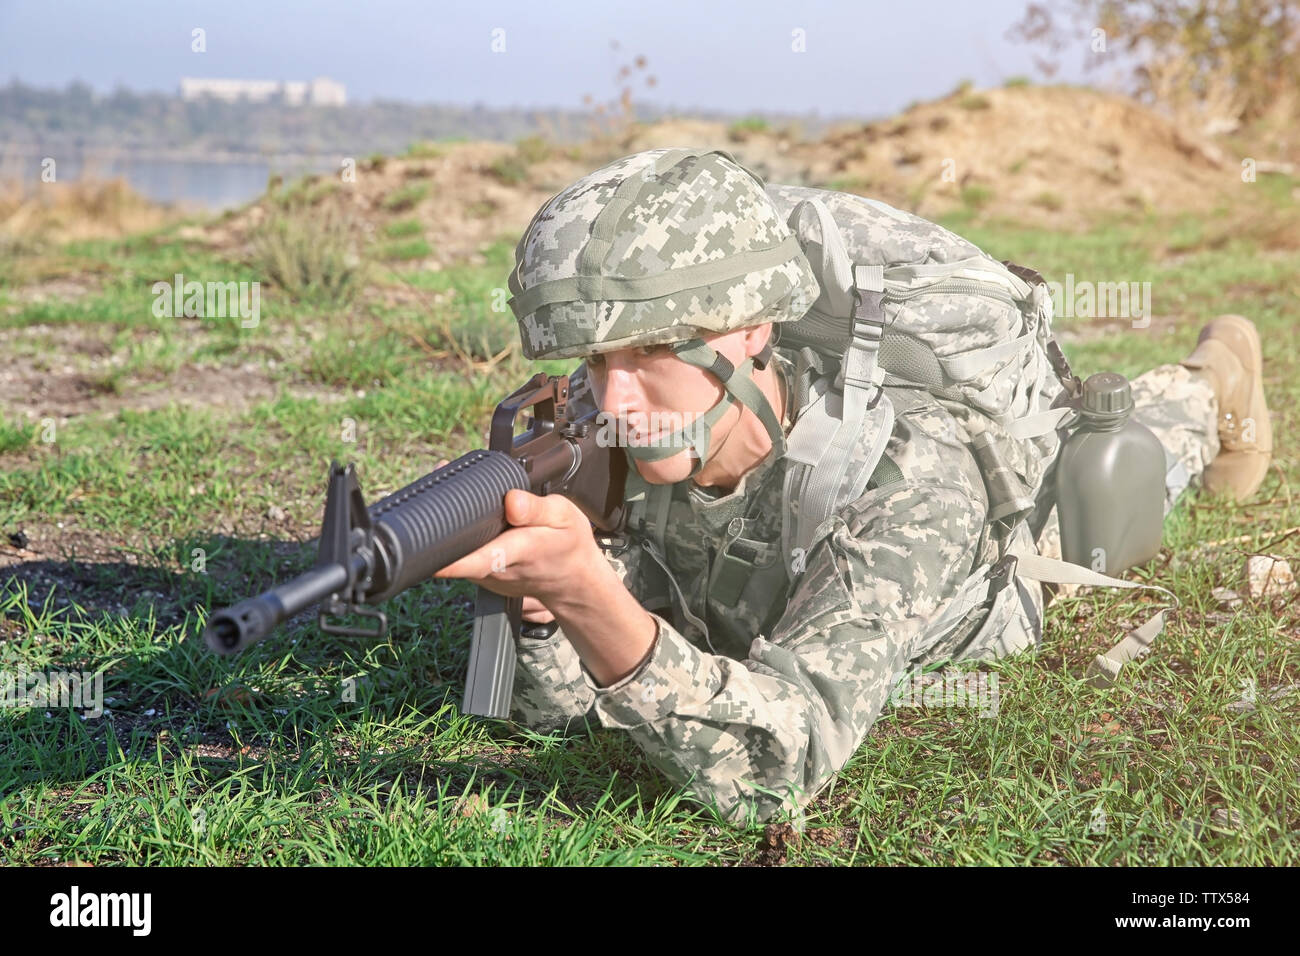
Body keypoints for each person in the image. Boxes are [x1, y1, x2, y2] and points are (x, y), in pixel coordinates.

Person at [433, 149, 1273, 826]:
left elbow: (780, 768)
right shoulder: (598, 425)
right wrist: (543, 610)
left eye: (653, 352)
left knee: (1121, 465)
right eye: (596, 361)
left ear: (753, 327)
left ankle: (1211, 384)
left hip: (992, 560)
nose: (614, 400)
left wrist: (592, 596)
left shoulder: (905, 475)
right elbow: (551, 712)